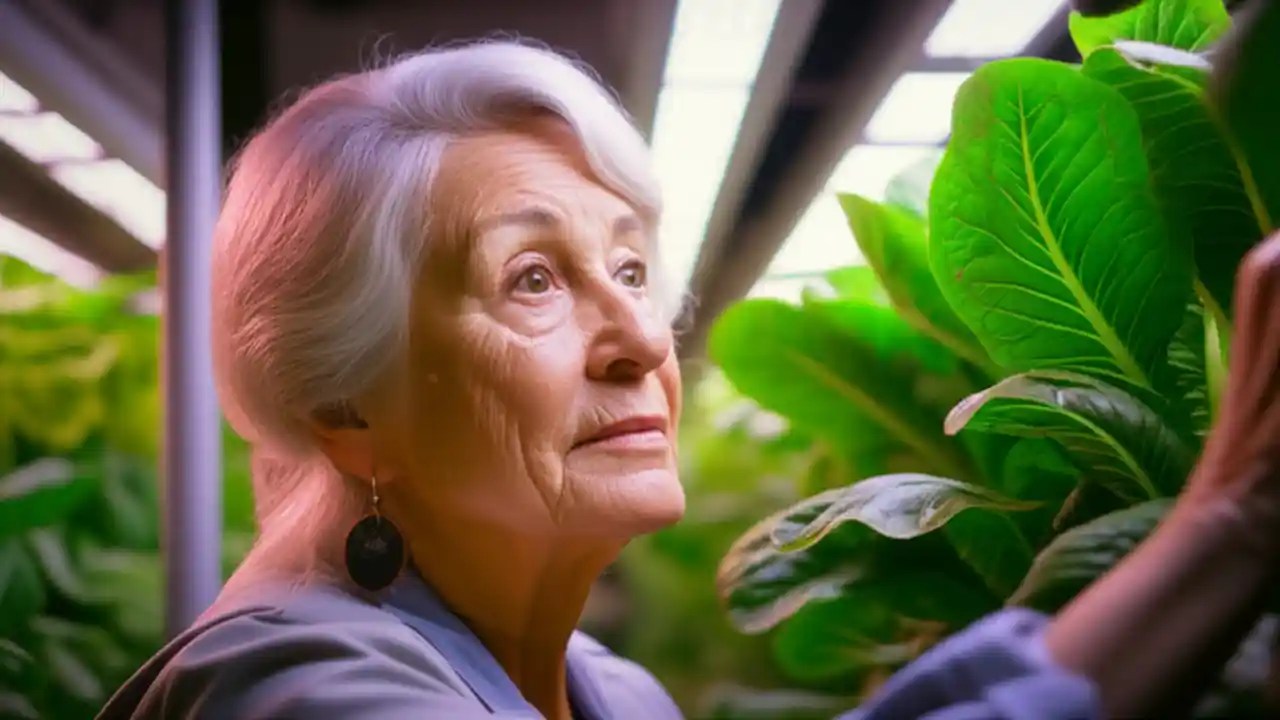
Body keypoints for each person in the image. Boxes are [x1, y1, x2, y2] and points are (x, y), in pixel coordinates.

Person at [98, 39, 1280, 720]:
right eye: (531, 281)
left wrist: (1227, 522)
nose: (637, 338)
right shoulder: (292, 690)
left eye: (628, 265)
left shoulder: (606, 690)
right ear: (345, 408)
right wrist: (1228, 518)